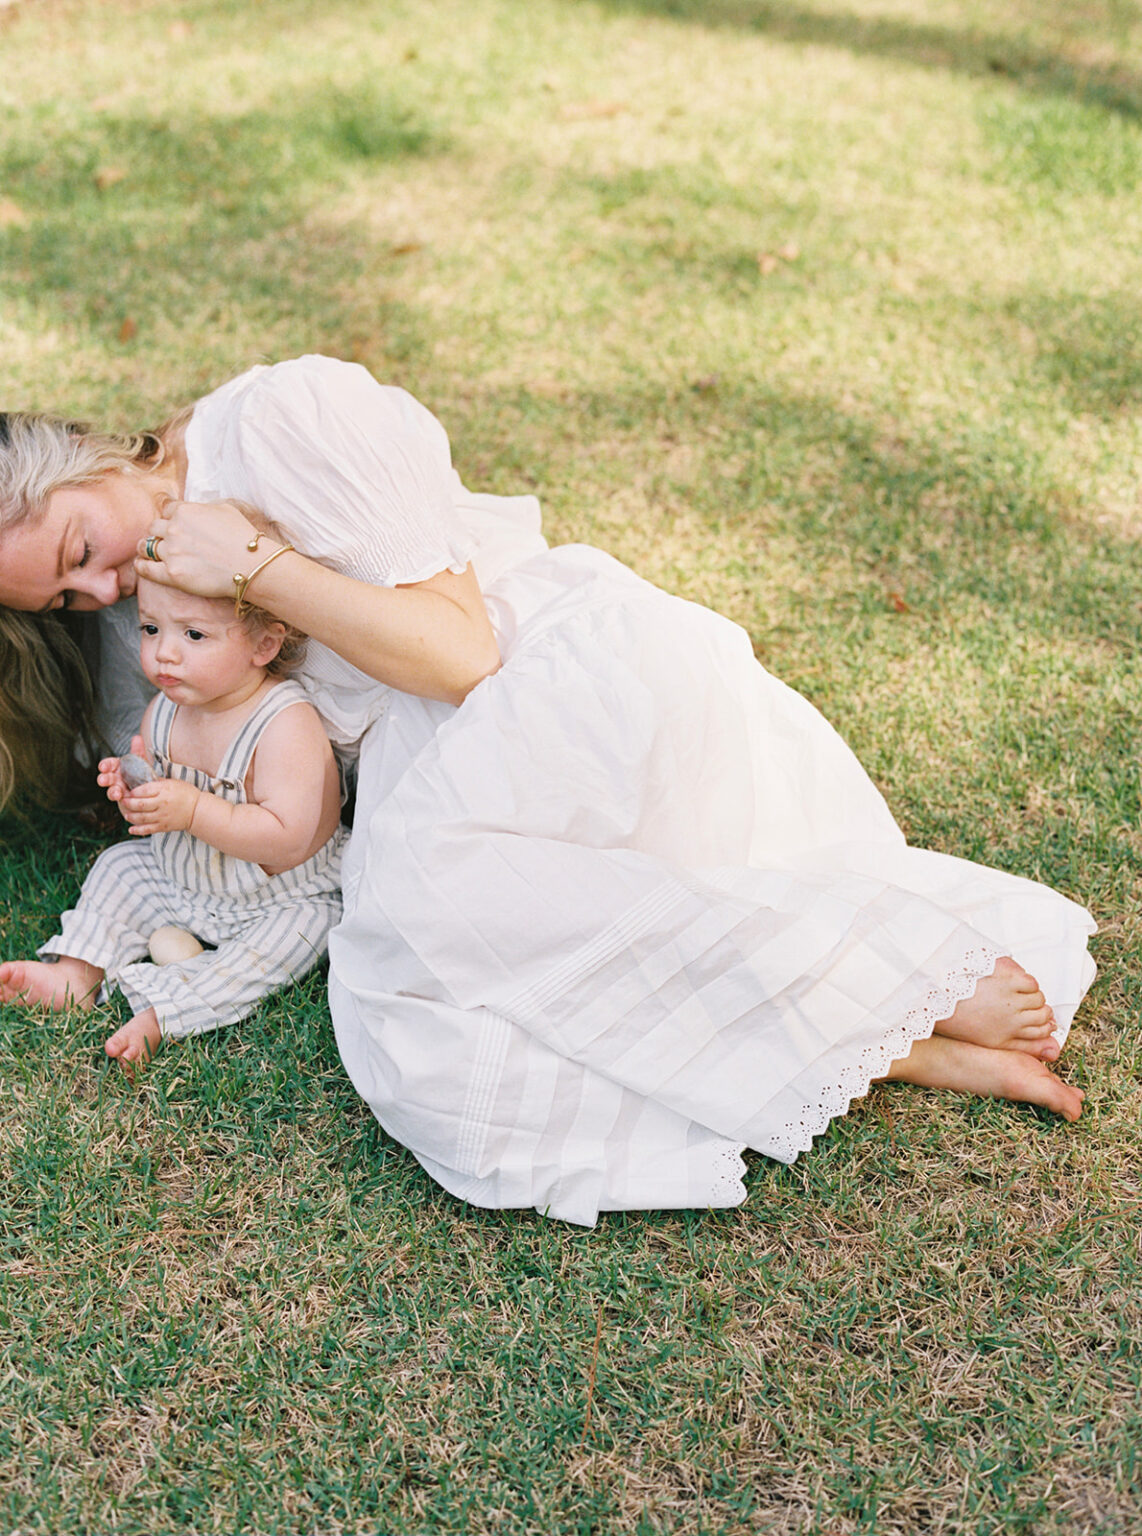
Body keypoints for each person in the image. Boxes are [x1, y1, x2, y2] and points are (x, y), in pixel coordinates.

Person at [0, 358, 1096, 1225]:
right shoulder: (120, 615)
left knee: (438, 902)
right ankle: (885, 1036)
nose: (105, 588)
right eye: (66, 596)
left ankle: (875, 973)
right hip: (421, 783)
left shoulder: (288, 416)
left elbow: (457, 654)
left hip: (545, 688)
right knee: (416, 1058)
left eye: (82, 548)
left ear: (77, 457)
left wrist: (255, 566)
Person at [0, 562, 346, 1068]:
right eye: (150, 628)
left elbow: (288, 840)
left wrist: (193, 809)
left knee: (296, 939)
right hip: (185, 878)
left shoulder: (284, 724)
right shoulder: (163, 710)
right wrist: (133, 794)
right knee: (120, 867)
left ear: (263, 646)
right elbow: (160, 806)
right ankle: (75, 971)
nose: (165, 651)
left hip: (279, 894)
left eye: (194, 634)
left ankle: (169, 1010)